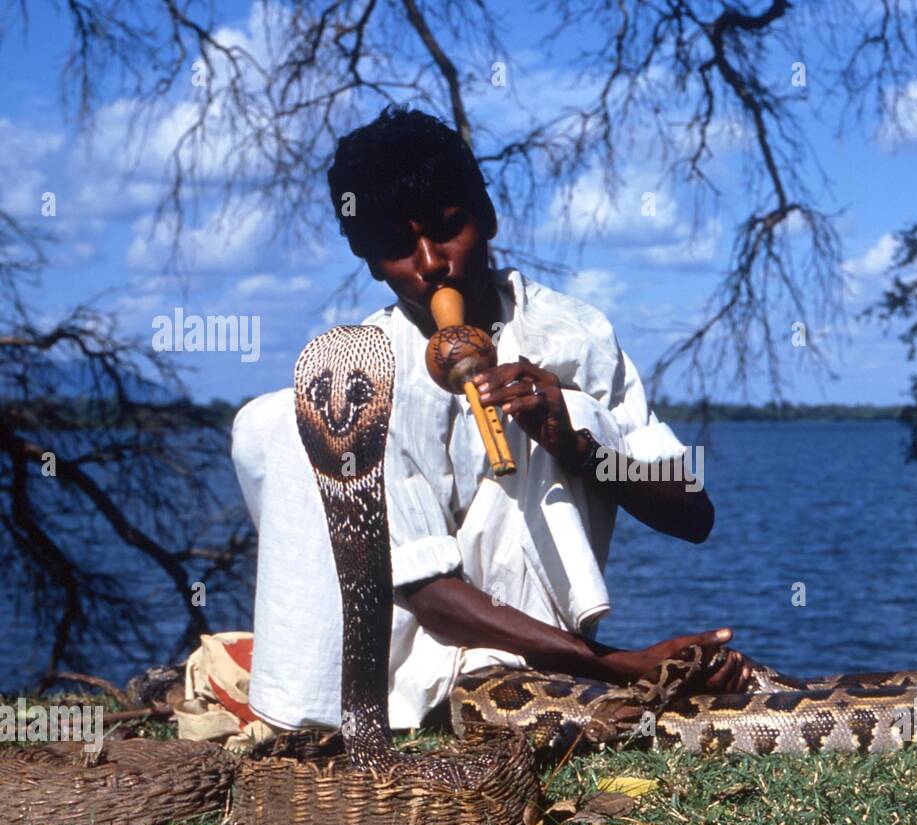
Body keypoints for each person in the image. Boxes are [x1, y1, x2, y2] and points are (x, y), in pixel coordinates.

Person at [231, 105, 751, 732]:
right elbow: (426, 593)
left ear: (489, 216)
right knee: (278, 418)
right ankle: (317, 729)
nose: (430, 264)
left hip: (535, 666)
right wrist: (617, 665)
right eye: (400, 247)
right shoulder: (360, 372)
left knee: (577, 402)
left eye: (449, 230)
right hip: (397, 675)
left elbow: (694, 514)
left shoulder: (575, 334)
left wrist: (577, 445)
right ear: (370, 261)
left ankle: (536, 679)